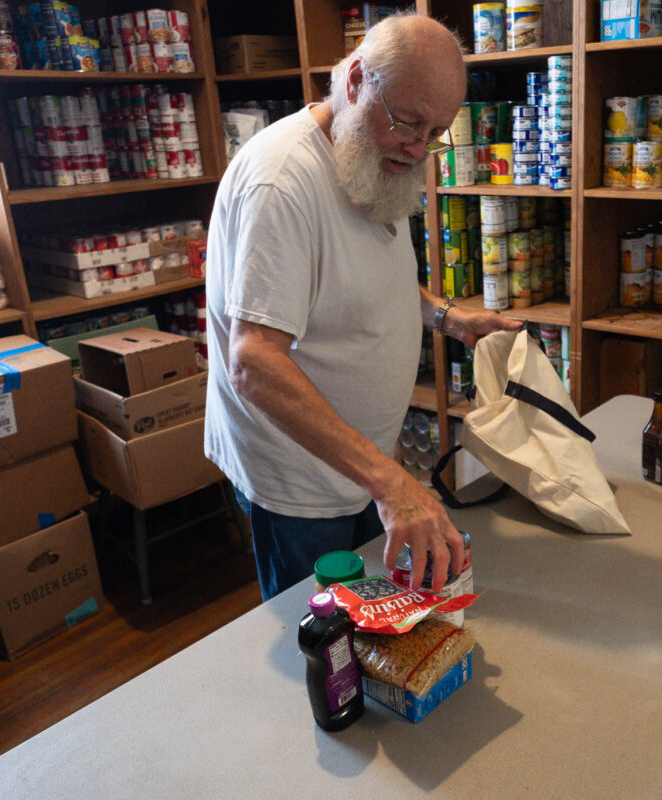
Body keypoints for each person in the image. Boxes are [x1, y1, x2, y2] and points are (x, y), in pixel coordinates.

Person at [204, 13, 522, 601]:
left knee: (371, 632)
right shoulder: (283, 183)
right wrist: (392, 484)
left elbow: (362, 280)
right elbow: (252, 361)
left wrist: (447, 317)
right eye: (408, 122)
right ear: (355, 80)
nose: (419, 146)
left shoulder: (370, 153)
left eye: (436, 132)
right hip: (301, 480)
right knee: (328, 647)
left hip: (361, 466)